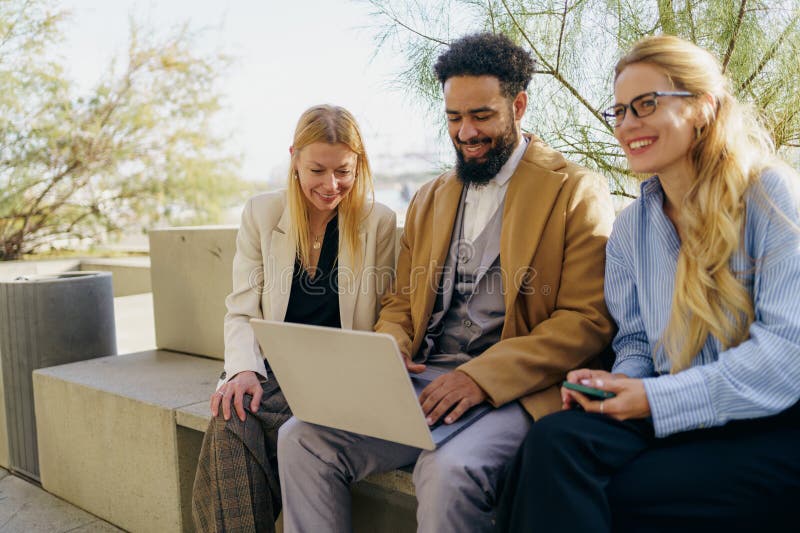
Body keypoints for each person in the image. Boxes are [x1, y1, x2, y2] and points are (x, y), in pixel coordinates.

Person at [277, 33, 616, 533]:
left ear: (518, 106)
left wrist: (481, 378)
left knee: (447, 472)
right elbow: (401, 301)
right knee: (301, 438)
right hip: (425, 377)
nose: (466, 132)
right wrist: (390, 346)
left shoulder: (576, 190)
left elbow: (586, 320)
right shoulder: (431, 195)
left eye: (481, 116)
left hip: (518, 390)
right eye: (454, 118)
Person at [496, 35, 800, 533]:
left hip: (767, 421)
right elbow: (636, 341)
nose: (627, 124)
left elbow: (786, 357)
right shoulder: (630, 228)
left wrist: (653, 399)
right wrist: (618, 385)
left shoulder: (768, 193)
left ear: (702, 107)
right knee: (550, 443)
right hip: (671, 414)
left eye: (646, 104)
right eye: (619, 111)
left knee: (596, 492)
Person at [191, 104, 397, 533]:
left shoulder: (378, 223)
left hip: (341, 378)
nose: (331, 185)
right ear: (294, 160)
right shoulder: (261, 214)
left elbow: (387, 315)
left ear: (358, 165)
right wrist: (243, 370)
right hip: (275, 370)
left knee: (234, 430)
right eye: (317, 170)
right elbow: (242, 308)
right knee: (231, 412)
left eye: (343, 171)